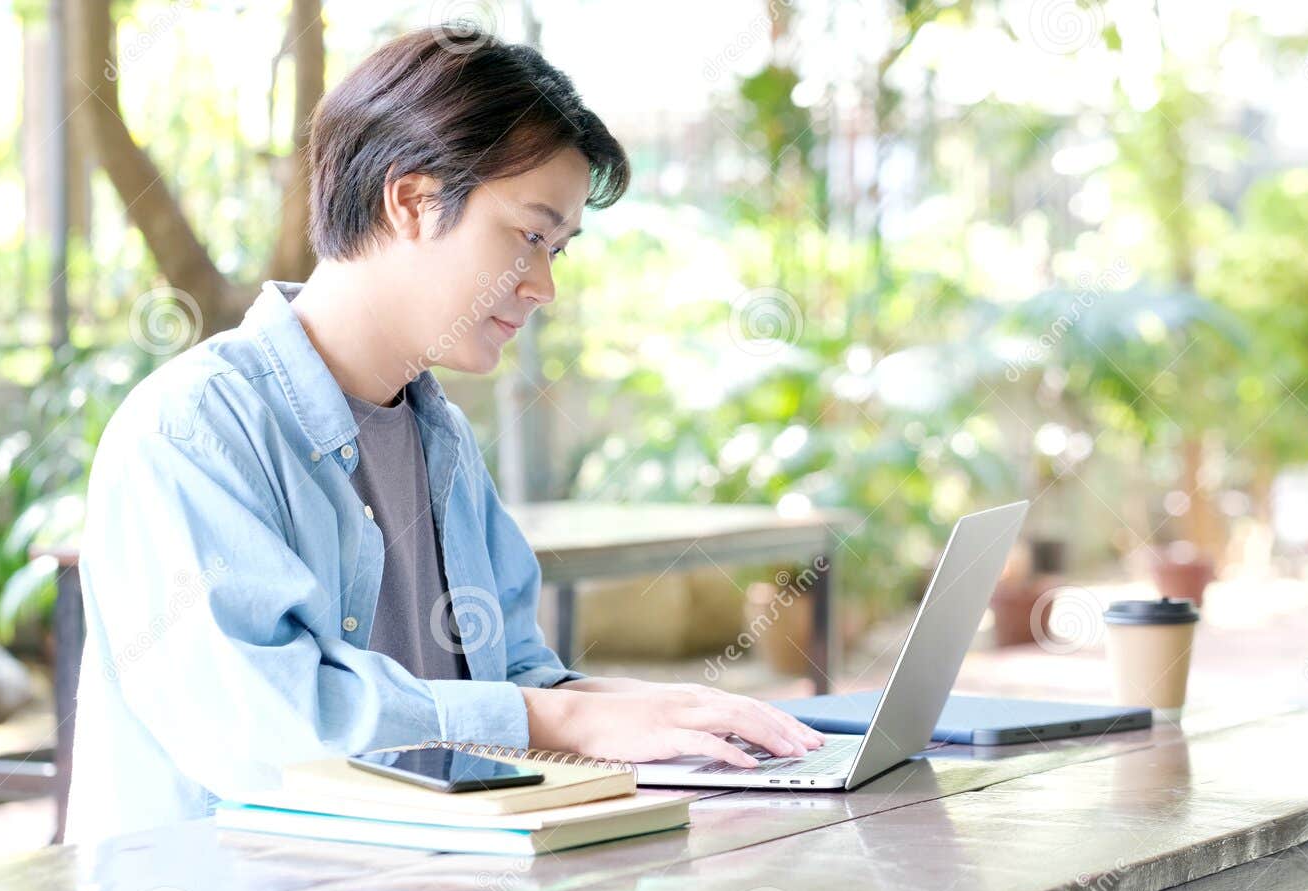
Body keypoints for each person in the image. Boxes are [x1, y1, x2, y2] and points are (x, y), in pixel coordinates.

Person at [65, 24, 822, 846]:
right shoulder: (193, 430)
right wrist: (562, 719)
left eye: (559, 249)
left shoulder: (442, 440)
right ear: (413, 201)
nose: (544, 286)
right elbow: (270, 731)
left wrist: (671, 717)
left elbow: (513, 682)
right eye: (531, 235)